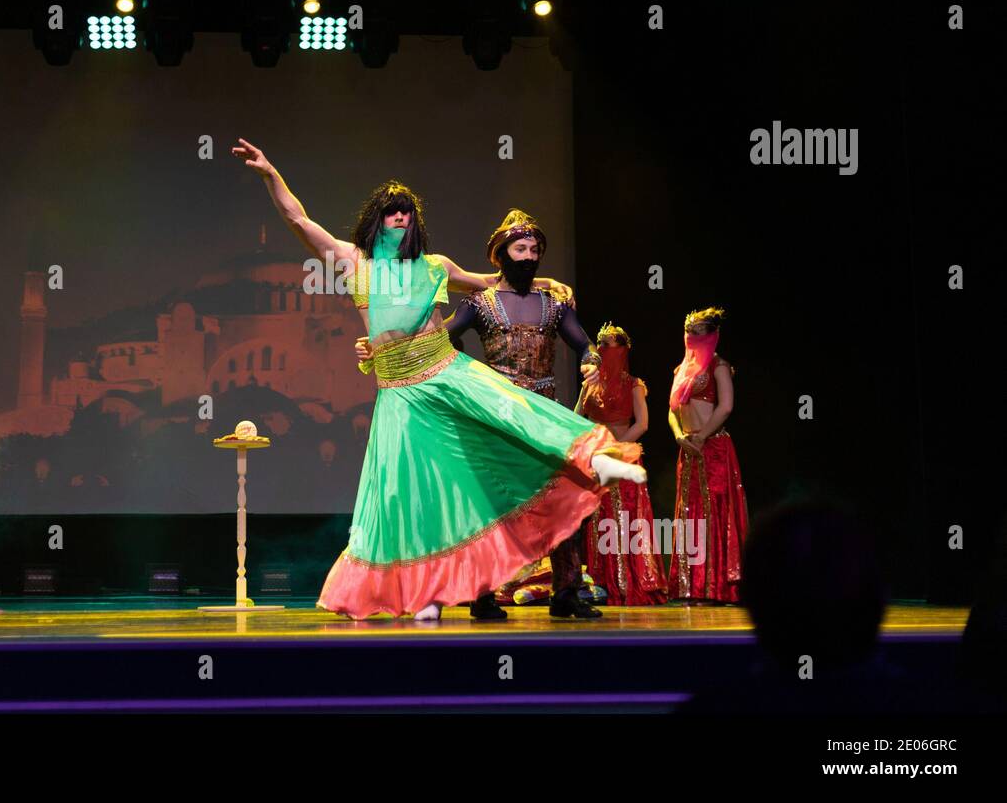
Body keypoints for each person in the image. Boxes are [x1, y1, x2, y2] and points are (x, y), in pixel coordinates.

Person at [232, 138, 646, 620]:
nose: (401, 219)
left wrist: (544, 282)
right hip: (398, 395)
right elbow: (300, 221)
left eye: (407, 213)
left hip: (445, 372)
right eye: (392, 212)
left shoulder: (433, 267)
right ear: (377, 220)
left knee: (518, 415)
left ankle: (595, 456)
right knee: (402, 492)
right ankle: (423, 589)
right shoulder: (355, 263)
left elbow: (491, 282)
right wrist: (269, 174)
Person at [359, 209, 606, 619]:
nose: (528, 256)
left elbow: (584, 343)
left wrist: (591, 359)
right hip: (496, 414)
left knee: (565, 495)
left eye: (534, 250)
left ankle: (566, 592)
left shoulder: (555, 305)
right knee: (490, 508)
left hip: (543, 415)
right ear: (500, 254)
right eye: (519, 248)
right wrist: (381, 348)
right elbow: (434, 339)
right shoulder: (481, 304)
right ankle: (483, 595)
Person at [576, 323, 668, 605]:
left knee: (626, 519)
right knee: (598, 520)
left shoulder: (634, 385)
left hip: (623, 454)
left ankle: (628, 581)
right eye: (600, 344)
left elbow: (643, 423)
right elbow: (577, 415)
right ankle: (600, 582)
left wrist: (616, 448)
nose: (604, 350)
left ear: (623, 350)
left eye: (611, 345)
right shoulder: (590, 384)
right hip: (595, 457)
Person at [666, 307, 748, 604]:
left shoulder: (719, 366)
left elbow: (726, 407)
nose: (691, 337)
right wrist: (679, 436)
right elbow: (672, 411)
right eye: (688, 331)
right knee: (690, 516)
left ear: (712, 336)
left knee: (714, 513)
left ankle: (716, 588)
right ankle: (691, 587)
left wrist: (702, 436)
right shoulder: (681, 370)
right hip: (688, 450)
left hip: (712, 449)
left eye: (698, 332)